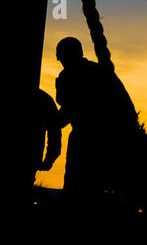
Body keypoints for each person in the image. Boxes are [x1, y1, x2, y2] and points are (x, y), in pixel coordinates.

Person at [54, 37, 140, 197]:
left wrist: (50, 123)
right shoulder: (97, 72)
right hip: (106, 140)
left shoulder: (73, 77)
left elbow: (68, 111)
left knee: (79, 188)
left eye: (61, 56)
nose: (61, 60)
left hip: (94, 140)